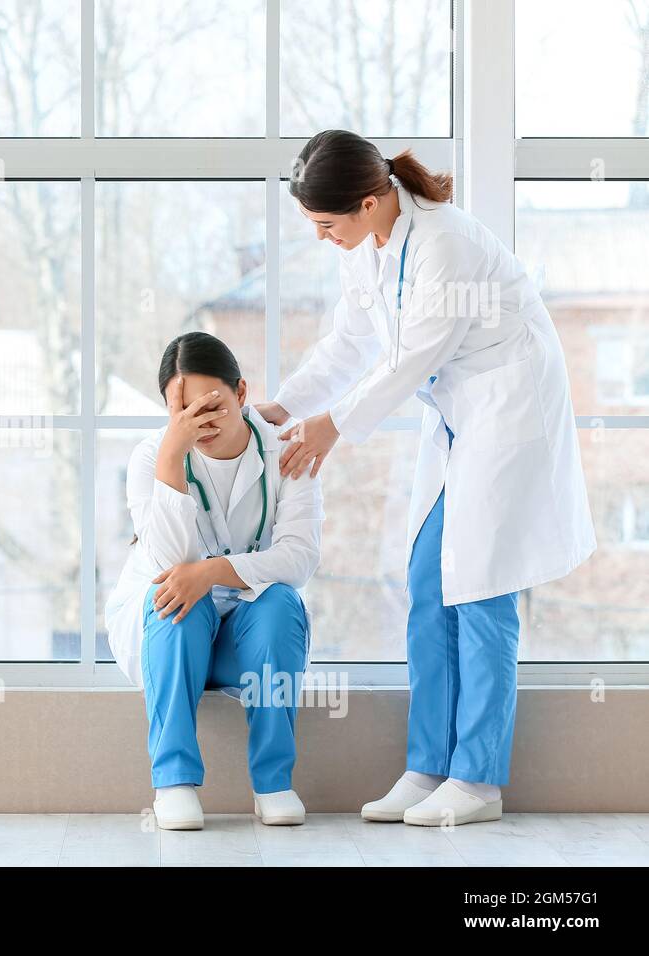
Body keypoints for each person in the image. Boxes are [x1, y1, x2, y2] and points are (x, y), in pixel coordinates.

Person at [255, 130, 595, 826]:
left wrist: (333, 428)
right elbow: (349, 345)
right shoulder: (369, 247)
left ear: (370, 202)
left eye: (326, 225)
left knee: (482, 583)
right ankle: (429, 765)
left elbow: (410, 359)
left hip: (508, 400)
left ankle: (477, 779)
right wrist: (286, 405)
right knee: (427, 577)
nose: (323, 238)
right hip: (456, 410)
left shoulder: (446, 243)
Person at [104, 331, 324, 830]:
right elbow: (168, 563)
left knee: (281, 603)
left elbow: (300, 557)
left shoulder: (286, 452)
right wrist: (170, 460)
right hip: (172, 641)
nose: (198, 425)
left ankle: (274, 783)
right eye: (182, 413)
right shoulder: (151, 457)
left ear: (242, 393)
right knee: (178, 599)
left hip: (244, 643)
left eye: (212, 406)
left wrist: (211, 572)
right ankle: (174, 782)